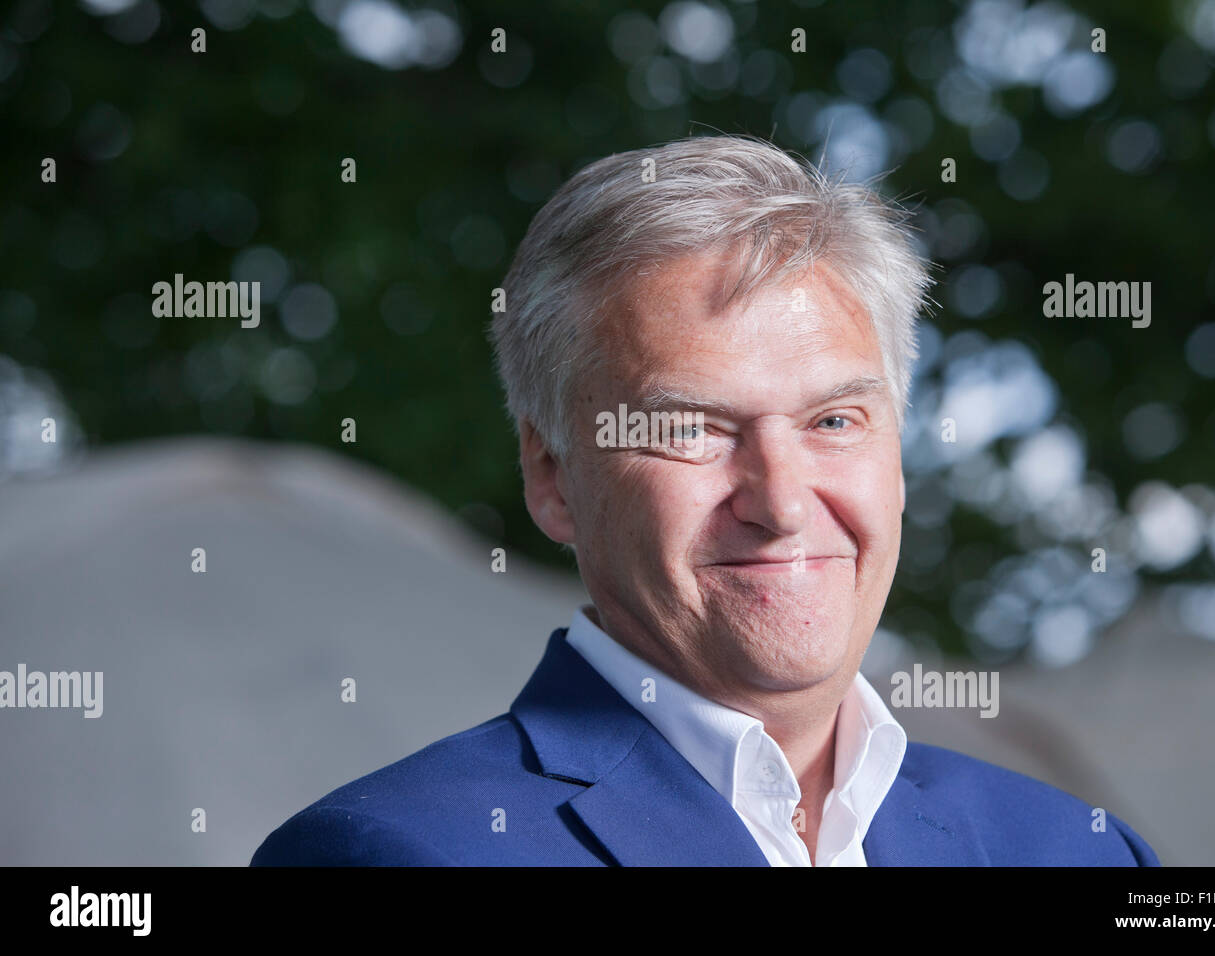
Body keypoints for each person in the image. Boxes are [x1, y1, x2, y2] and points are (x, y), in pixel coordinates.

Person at [251, 135, 1158, 866]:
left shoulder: (1076, 853)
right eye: (689, 429)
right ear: (553, 477)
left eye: (834, 421)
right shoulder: (391, 854)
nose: (783, 503)